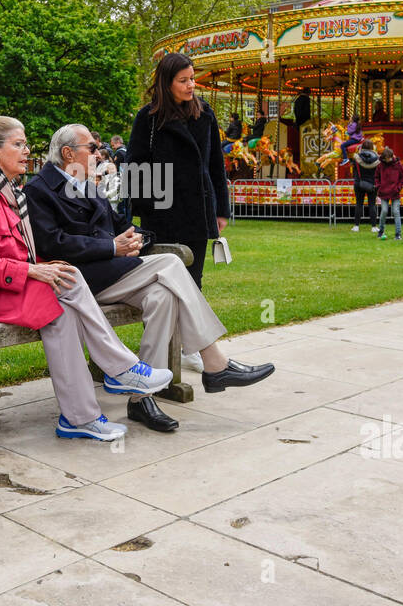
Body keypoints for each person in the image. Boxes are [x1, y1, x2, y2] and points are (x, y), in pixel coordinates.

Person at [0, 116, 173, 442]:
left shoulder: (5, 191)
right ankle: (121, 372)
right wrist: (32, 270)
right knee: (67, 281)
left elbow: (16, 253)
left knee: (64, 295)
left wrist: (40, 267)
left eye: (25, 143)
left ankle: (81, 417)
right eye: (17, 144)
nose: (26, 149)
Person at [26, 124, 275, 427]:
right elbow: (53, 244)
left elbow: (121, 224)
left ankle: (142, 400)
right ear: (68, 154)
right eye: (92, 147)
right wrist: (110, 247)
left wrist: (136, 241)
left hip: (110, 274)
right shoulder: (39, 189)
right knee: (170, 263)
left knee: (164, 295)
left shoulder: (88, 185)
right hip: (76, 281)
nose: (99, 153)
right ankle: (215, 362)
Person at [128, 52, 229, 288]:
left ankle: (190, 327)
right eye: (183, 80)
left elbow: (215, 164)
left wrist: (221, 209)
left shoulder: (205, 114)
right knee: (161, 284)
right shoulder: (148, 117)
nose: (191, 85)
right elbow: (134, 168)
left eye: (192, 78)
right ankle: (159, 327)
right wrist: (148, 205)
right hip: (161, 216)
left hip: (197, 212)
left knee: (193, 283)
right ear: (167, 82)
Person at [374, 146, 403, 240]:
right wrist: (378, 186)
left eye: (389, 158)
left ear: (392, 156)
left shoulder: (398, 165)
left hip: (395, 192)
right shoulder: (380, 165)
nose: (387, 160)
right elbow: (376, 176)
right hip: (383, 192)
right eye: (386, 158)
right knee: (384, 211)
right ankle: (381, 231)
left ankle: (398, 234)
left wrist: (398, 188)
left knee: (396, 212)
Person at [350, 139, 380, 232]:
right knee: (372, 205)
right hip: (372, 184)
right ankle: (374, 227)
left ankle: (356, 226)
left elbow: (353, 170)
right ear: (372, 147)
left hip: (359, 182)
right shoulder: (377, 159)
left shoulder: (356, 158)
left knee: (359, 204)